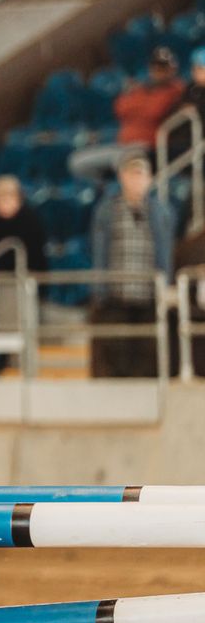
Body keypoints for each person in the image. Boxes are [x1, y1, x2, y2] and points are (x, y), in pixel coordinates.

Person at [89, 151, 174, 378]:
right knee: (116, 354)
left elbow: (165, 253)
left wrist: (164, 287)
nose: (137, 179)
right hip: (117, 294)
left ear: (150, 179)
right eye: (132, 174)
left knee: (147, 357)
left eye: (141, 174)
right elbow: (100, 251)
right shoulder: (107, 210)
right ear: (122, 177)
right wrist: (100, 290)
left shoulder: (161, 211)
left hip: (148, 295)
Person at [69, 47, 185, 184]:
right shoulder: (142, 88)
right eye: (156, 68)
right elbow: (119, 107)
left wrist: (137, 106)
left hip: (147, 148)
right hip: (122, 145)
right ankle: (105, 190)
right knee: (77, 162)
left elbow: (154, 111)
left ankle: (122, 193)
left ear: (173, 69)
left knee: (122, 161)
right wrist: (141, 105)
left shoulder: (176, 90)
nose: (159, 72)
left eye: (164, 68)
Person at [0, 175, 48, 272]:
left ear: (18, 197)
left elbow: (37, 257)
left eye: (8, 195)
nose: (2, 200)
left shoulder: (31, 221)